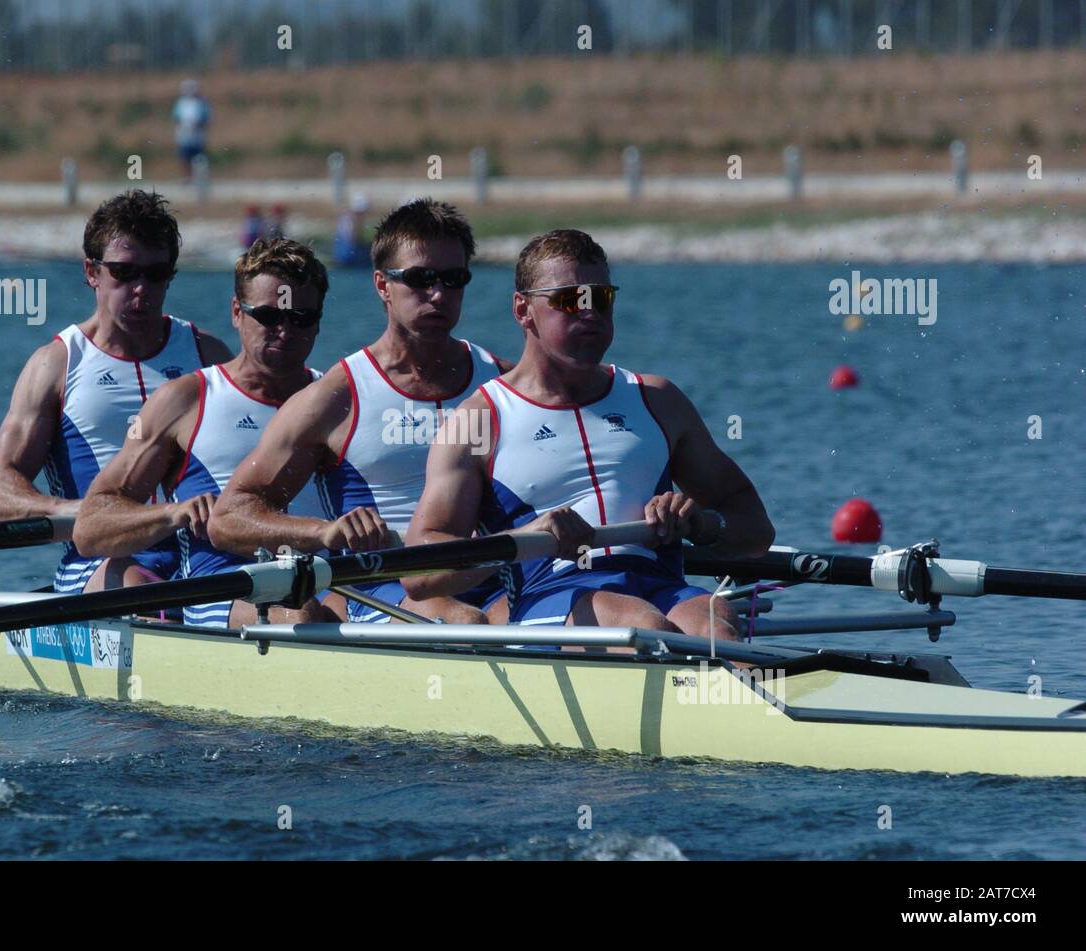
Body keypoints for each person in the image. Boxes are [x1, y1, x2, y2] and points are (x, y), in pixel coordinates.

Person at [403, 229, 774, 640]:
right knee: (641, 624)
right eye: (571, 300)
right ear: (523, 310)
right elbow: (418, 575)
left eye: (601, 299)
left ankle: (742, 697)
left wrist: (700, 524)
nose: (590, 314)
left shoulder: (658, 400)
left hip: (661, 586)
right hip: (551, 596)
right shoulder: (479, 421)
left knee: (713, 617)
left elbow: (756, 530)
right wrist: (528, 538)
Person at [209, 198, 510, 624]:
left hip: (497, 577)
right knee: (467, 621)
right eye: (420, 279)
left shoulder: (501, 381)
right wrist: (323, 533)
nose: (438, 294)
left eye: (453, 278)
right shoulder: (336, 398)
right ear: (382, 285)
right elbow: (228, 518)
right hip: (385, 588)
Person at [74, 237, 335, 627]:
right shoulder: (184, 401)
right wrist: (173, 514)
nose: (284, 331)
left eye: (300, 318)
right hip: (221, 585)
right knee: (303, 614)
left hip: (328, 580)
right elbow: (90, 527)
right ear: (236, 312)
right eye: (268, 316)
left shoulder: (335, 399)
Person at [0, 189, 233, 593]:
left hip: (200, 557)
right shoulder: (56, 366)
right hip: (100, 562)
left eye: (155, 274)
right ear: (91, 272)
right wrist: (85, 512)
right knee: (137, 586)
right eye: (124, 272)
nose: (140, 290)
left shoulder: (208, 354)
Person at [173, 79, 211, 181]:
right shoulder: (181, 103)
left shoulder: (201, 103)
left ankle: (199, 179)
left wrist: (198, 125)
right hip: (184, 136)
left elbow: (206, 119)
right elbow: (176, 119)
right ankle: (186, 179)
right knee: (185, 159)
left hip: (197, 136)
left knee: (199, 159)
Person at [333, 192, 370, 267]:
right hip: (348, 256)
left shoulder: (345, 216)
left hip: (342, 254)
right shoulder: (353, 220)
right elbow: (353, 240)